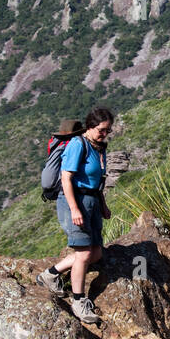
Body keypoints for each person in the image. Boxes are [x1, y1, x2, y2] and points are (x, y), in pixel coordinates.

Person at [36, 104, 114, 323]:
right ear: (90, 126)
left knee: (96, 253)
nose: (105, 134)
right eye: (102, 130)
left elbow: (98, 182)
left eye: (108, 130)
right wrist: (74, 209)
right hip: (75, 201)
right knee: (83, 254)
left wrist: (103, 205)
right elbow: (66, 178)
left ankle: (50, 274)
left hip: (92, 202)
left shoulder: (99, 148)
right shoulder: (77, 145)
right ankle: (79, 302)